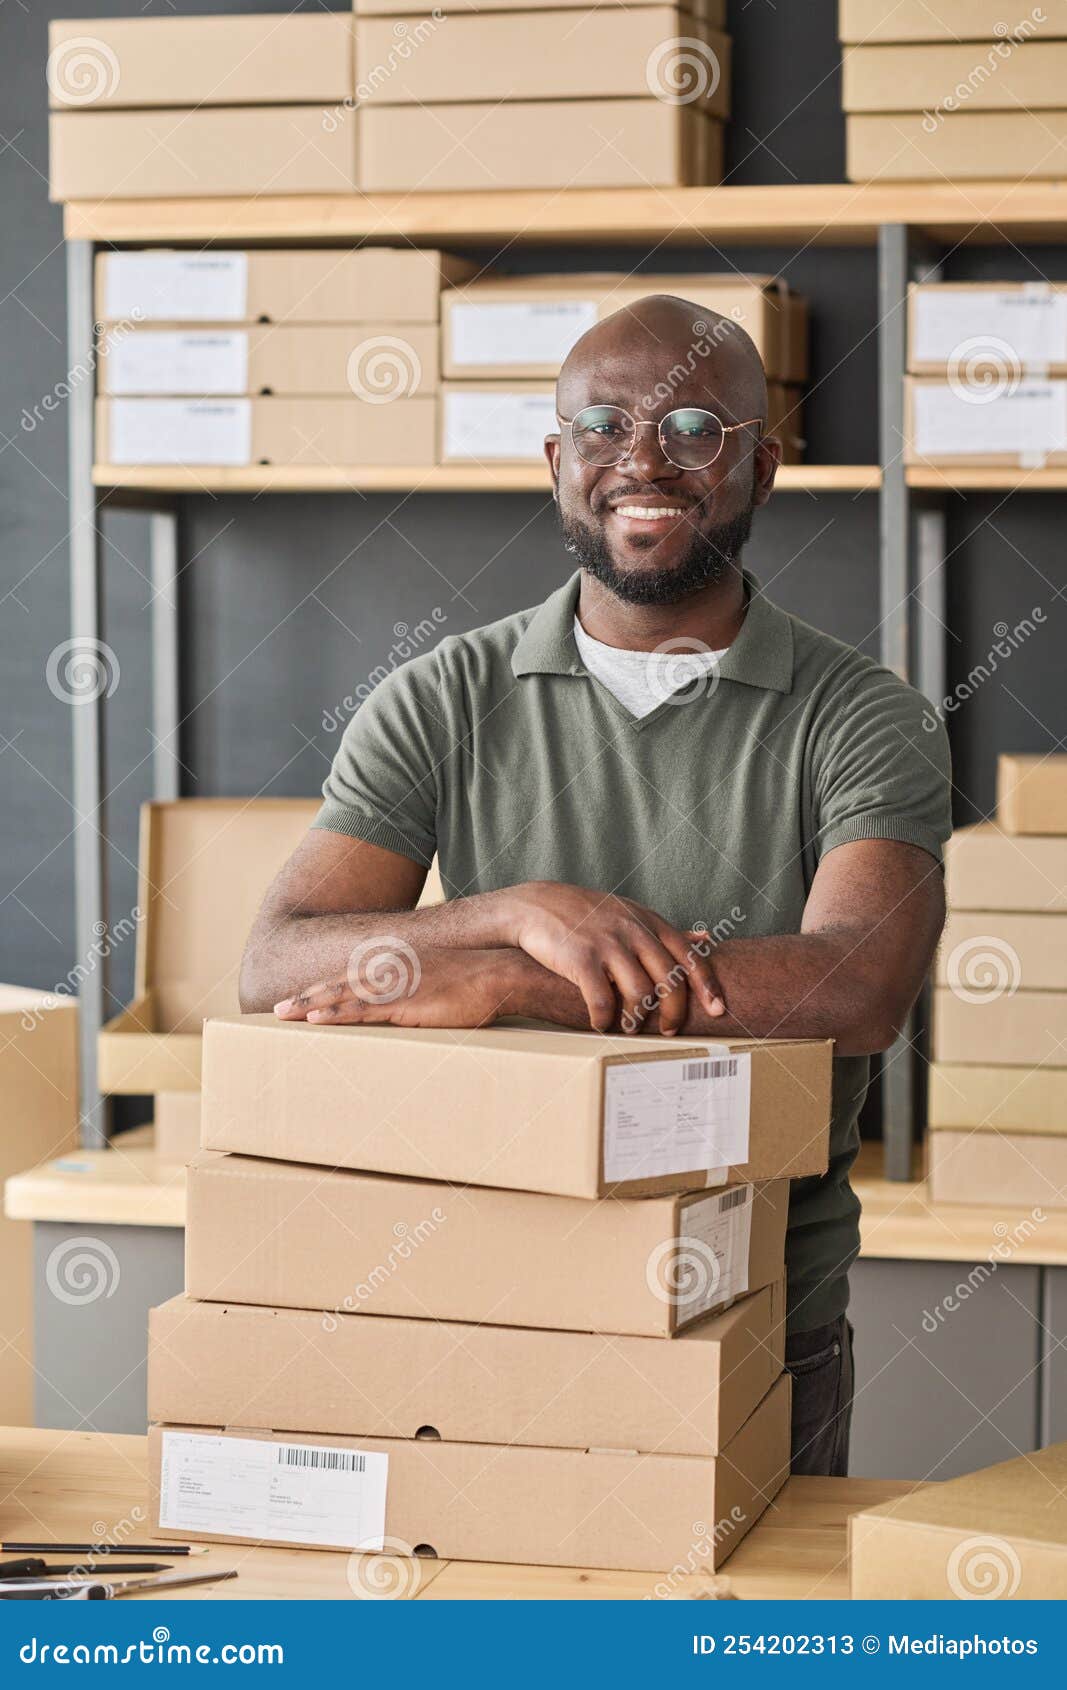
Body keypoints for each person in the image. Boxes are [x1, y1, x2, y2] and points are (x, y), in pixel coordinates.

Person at [240, 295, 951, 1477]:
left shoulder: (861, 715)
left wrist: (514, 989)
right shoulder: (440, 698)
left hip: (753, 1304)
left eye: (690, 426)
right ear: (555, 462)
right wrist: (511, 911)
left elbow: (853, 985)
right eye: (603, 425)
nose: (641, 460)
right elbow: (276, 962)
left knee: (732, 1656)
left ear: (761, 467)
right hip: (486, 1286)